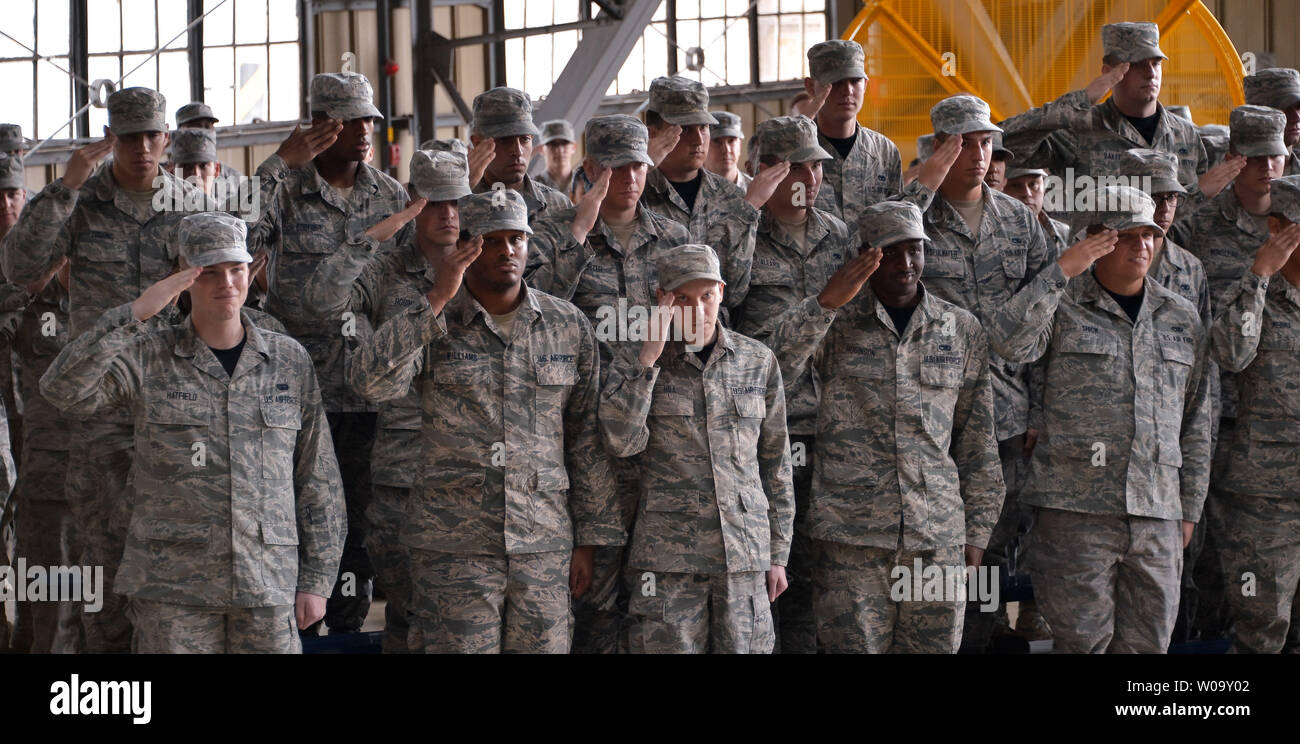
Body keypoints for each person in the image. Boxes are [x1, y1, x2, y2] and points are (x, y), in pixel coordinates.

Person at [40, 211, 346, 653]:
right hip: (172, 588)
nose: (227, 283)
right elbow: (60, 389)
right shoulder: (149, 356)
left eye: (236, 269)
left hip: (266, 582)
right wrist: (136, 312)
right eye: (209, 273)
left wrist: (318, 577)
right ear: (183, 278)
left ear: (250, 270)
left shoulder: (288, 360)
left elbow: (317, 475)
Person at [349, 190, 623, 653]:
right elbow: (369, 383)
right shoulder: (430, 318)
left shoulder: (566, 325)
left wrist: (589, 540)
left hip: (543, 544)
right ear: (465, 246)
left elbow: (585, 440)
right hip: (454, 548)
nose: (506, 251)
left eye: (516, 239)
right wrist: (438, 294)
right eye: (491, 240)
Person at [1, 86, 214, 653]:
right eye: (129, 137)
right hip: (98, 405)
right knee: (104, 552)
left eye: (152, 136)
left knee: (175, 543)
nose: (142, 148)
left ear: (166, 139)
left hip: (172, 402)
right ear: (110, 139)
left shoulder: (190, 207)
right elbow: (20, 266)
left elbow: (223, 295)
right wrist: (65, 185)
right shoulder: (83, 201)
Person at [768, 200, 1003, 653]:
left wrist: (977, 531)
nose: (906, 264)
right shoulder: (834, 322)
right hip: (852, 540)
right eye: (890, 253)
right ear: (863, 254)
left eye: (915, 250)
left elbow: (978, 438)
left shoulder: (960, 329)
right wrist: (823, 305)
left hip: (935, 536)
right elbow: (768, 371)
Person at [988, 185, 1212, 653]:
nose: (1142, 245)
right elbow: (1007, 342)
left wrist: (1188, 507)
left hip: (1158, 512)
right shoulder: (1062, 303)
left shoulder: (1181, 316)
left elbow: (1195, 417)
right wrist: (1061, 270)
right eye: (1126, 235)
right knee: (1082, 644)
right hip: (1076, 513)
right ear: (1095, 240)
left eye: (1149, 234)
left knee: (1148, 647)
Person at [247, 71, 410, 636]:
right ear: (320, 126)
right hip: (299, 388)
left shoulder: (388, 194)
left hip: (367, 391)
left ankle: (346, 633)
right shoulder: (285, 189)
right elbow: (236, 244)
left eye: (369, 119)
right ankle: (297, 636)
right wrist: (276, 165)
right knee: (298, 519)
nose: (365, 131)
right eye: (350, 120)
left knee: (360, 530)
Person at [526, 114, 690, 653]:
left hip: (659, 428)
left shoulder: (673, 237)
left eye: (639, 165)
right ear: (591, 168)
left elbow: (704, 323)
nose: (630, 178)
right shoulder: (553, 234)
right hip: (584, 436)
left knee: (658, 587)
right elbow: (533, 316)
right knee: (591, 593)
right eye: (617, 167)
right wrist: (578, 231)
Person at [302, 148, 473, 652]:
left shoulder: (490, 265)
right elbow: (321, 302)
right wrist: (373, 235)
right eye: (432, 203)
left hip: (475, 467)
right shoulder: (385, 270)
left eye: (456, 202)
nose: (447, 214)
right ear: (412, 202)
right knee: (408, 614)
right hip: (404, 469)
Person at [911, 94, 1057, 650]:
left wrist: (1039, 407)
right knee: (935, 536)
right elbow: (869, 245)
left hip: (1004, 410)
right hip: (932, 409)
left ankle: (986, 631)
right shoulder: (914, 216)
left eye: (984, 142)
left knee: (994, 537)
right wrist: (925, 181)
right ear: (940, 147)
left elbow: (1048, 320)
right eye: (963, 143)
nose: (977, 154)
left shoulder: (1020, 221)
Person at [600, 243, 794, 653]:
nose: (697, 309)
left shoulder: (757, 361)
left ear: (722, 292)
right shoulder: (634, 360)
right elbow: (619, 442)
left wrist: (778, 553)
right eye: (683, 298)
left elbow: (775, 462)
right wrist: (648, 361)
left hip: (743, 555)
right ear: (661, 299)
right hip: (669, 562)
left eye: (706, 296)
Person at [1166, 105, 1292, 640]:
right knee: (1213, 564)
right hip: (1217, 418)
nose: (1267, 168)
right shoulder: (1198, 229)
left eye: (1276, 157)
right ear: (1235, 160)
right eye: (1255, 157)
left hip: (1275, 432)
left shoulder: (1293, 208)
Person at [732, 114, 854, 653]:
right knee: (769, 575)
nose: (812, 175)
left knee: (825, 575)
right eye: (798, 164)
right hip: (766, 431)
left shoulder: (840, 237)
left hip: (834, 428)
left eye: (817, 164)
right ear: (767, 170)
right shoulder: (742, 241)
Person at [1000, 22, 1241, 213]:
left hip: (1171, 269)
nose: (1150, 73)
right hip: (1102, 268)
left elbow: (1193, 218)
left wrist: (1200, 193)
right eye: (1136, 64)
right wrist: (1077, 102)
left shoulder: (1186, 134)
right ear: (1108, 72)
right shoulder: (1078, 129)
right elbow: (1001, 144)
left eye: (1156, 63)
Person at [1208, 175, 1300, 652]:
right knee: (1261, 629)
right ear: (1277, 228)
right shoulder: (1251, 296)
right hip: (1266, 500)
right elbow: (1231, 354)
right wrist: (1261, 275)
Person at [640, 75, 784, 310]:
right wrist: (644, 166)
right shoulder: (634, 194)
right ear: (653, 133)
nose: (698, 140)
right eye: (685, 129)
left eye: (704, 127)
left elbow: (736, 289)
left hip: (716, 336)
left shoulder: (732, 197)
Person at [803, 40, 903, 225]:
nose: (847, 91)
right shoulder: (796, 152)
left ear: (865, 85)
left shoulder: (884, 152)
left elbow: (895, 224)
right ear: (811, 87)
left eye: (855, 81)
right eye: (836, 82)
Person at [468, 87, 571, 223]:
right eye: (504, 140)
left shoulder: (558, 206)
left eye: (524, 139)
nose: (517, 151)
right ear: (477, 142)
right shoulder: (457, 207)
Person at [1244, 68, 1300, 176]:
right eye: (1285, 108)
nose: (1296, 117)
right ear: (1258, 112)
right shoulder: (1231, 176)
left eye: (1298, 107)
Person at [705, 112, 751, 189]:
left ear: (739, 145)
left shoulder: (756, 190)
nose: (726, 150)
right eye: (716, 141)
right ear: (703, 147)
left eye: (731, 141)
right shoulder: (691, 190)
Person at [535, 119, 577, 196]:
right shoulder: (532, 187)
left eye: (564, 143)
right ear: (541, 149)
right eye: (553, 144)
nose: (559, 150)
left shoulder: (586, 184)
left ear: (573, 147)